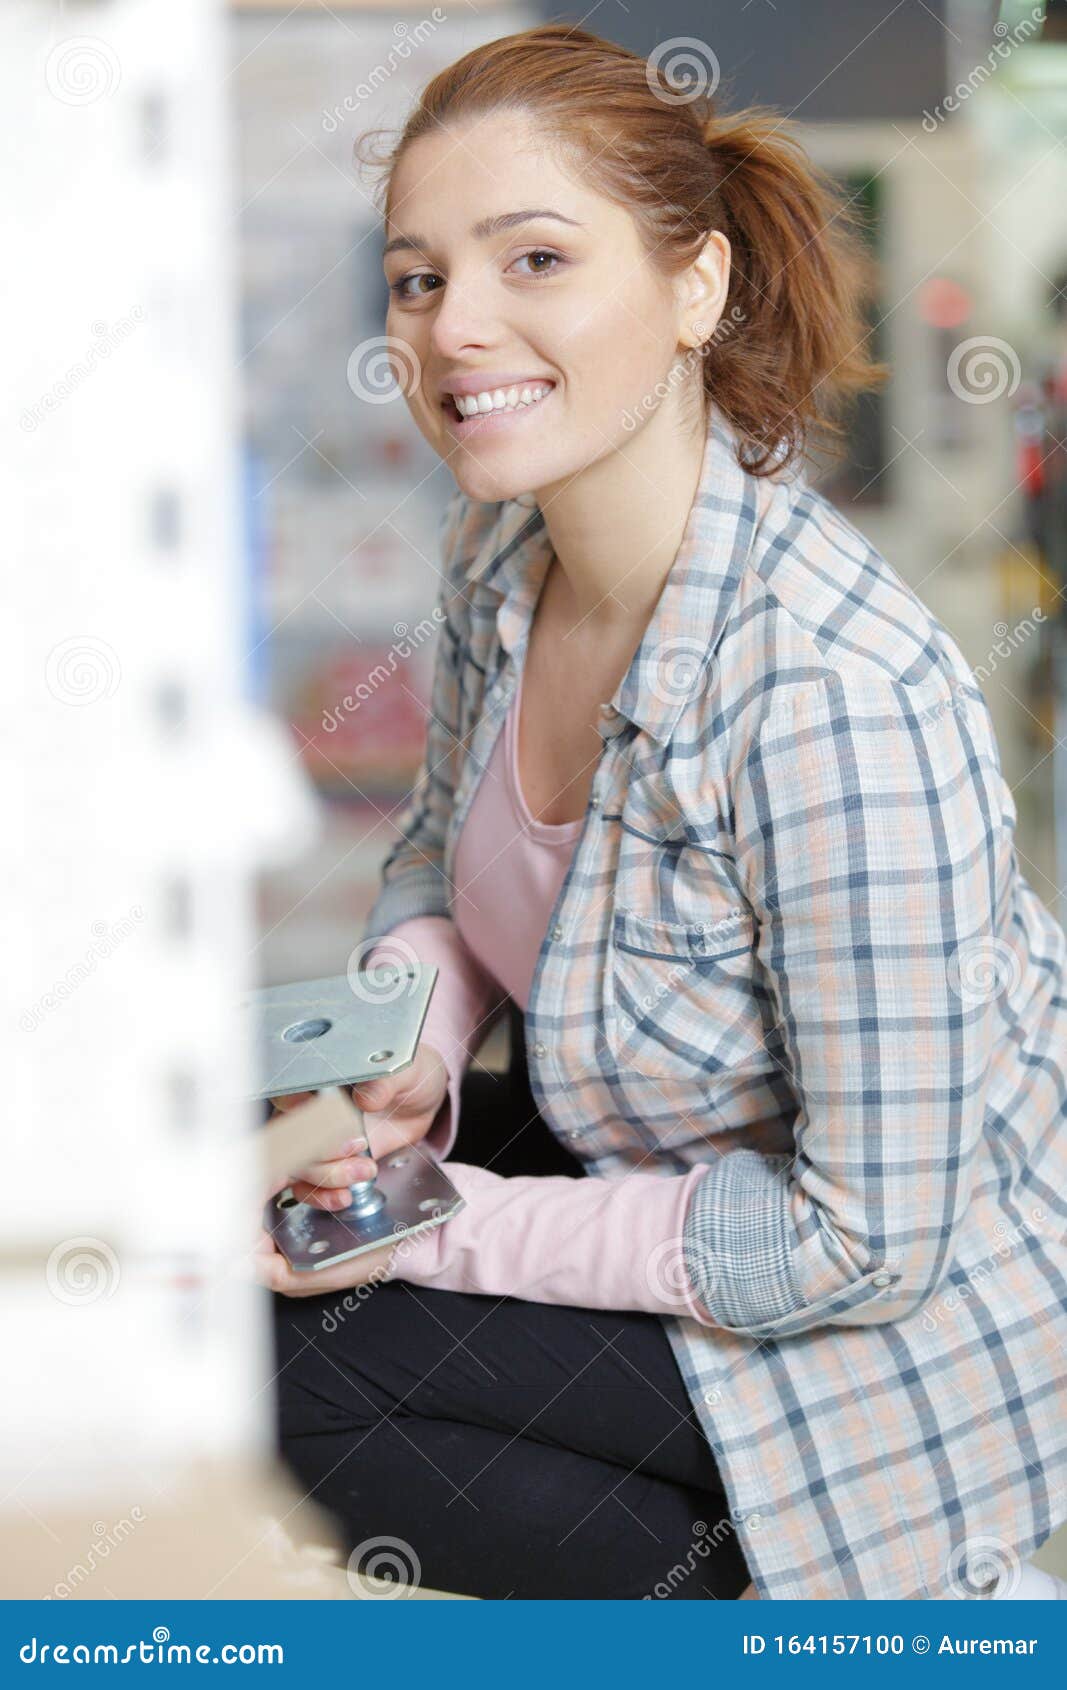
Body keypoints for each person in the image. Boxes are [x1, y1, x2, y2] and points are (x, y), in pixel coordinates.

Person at [259, 25, 1067, 1602]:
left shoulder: (834, 693)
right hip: (634, 1125)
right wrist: (413, 1056)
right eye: (418, 279)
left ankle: (786, 1610)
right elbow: (439, 848)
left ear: (696, 289)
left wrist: (439, 1225)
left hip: (892, 1312)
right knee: (255, 1178)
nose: (453, 327)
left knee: (297, 1357)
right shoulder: (507, 555)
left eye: (535, 258)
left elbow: (865, 1240)